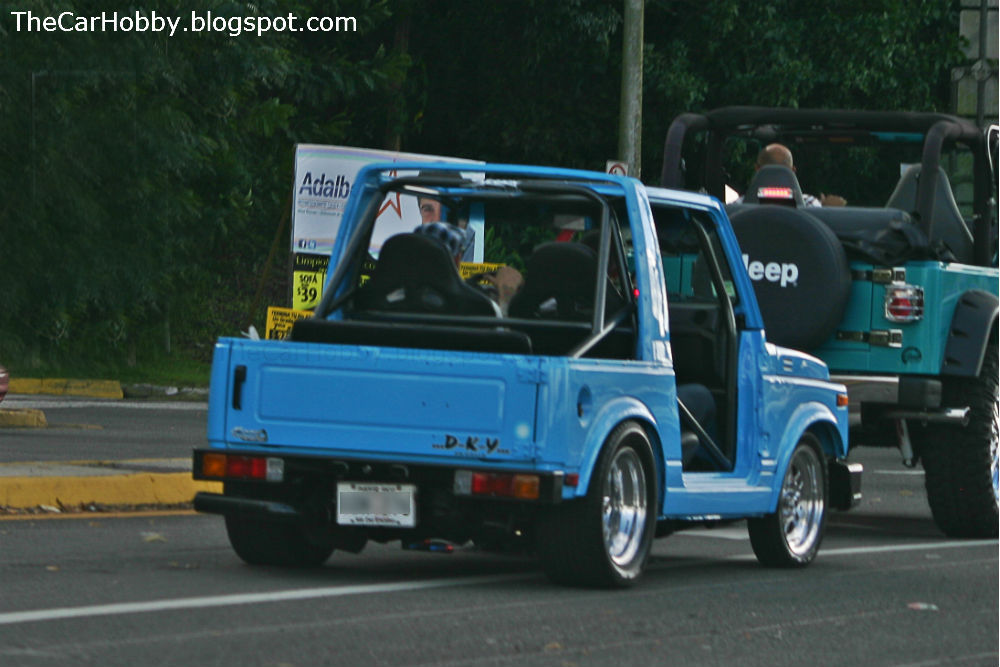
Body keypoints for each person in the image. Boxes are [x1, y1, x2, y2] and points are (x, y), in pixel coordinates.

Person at [413, 222, 523, 313]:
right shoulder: (470, 305)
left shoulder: (405, 299)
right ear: (457, 259)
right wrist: (506, 297)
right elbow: (503, 331)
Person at [743, 143, 846, 207]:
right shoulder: (810, 204)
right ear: (792, 171)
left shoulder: (739, 205)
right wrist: (827, 209)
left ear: (757, 169)